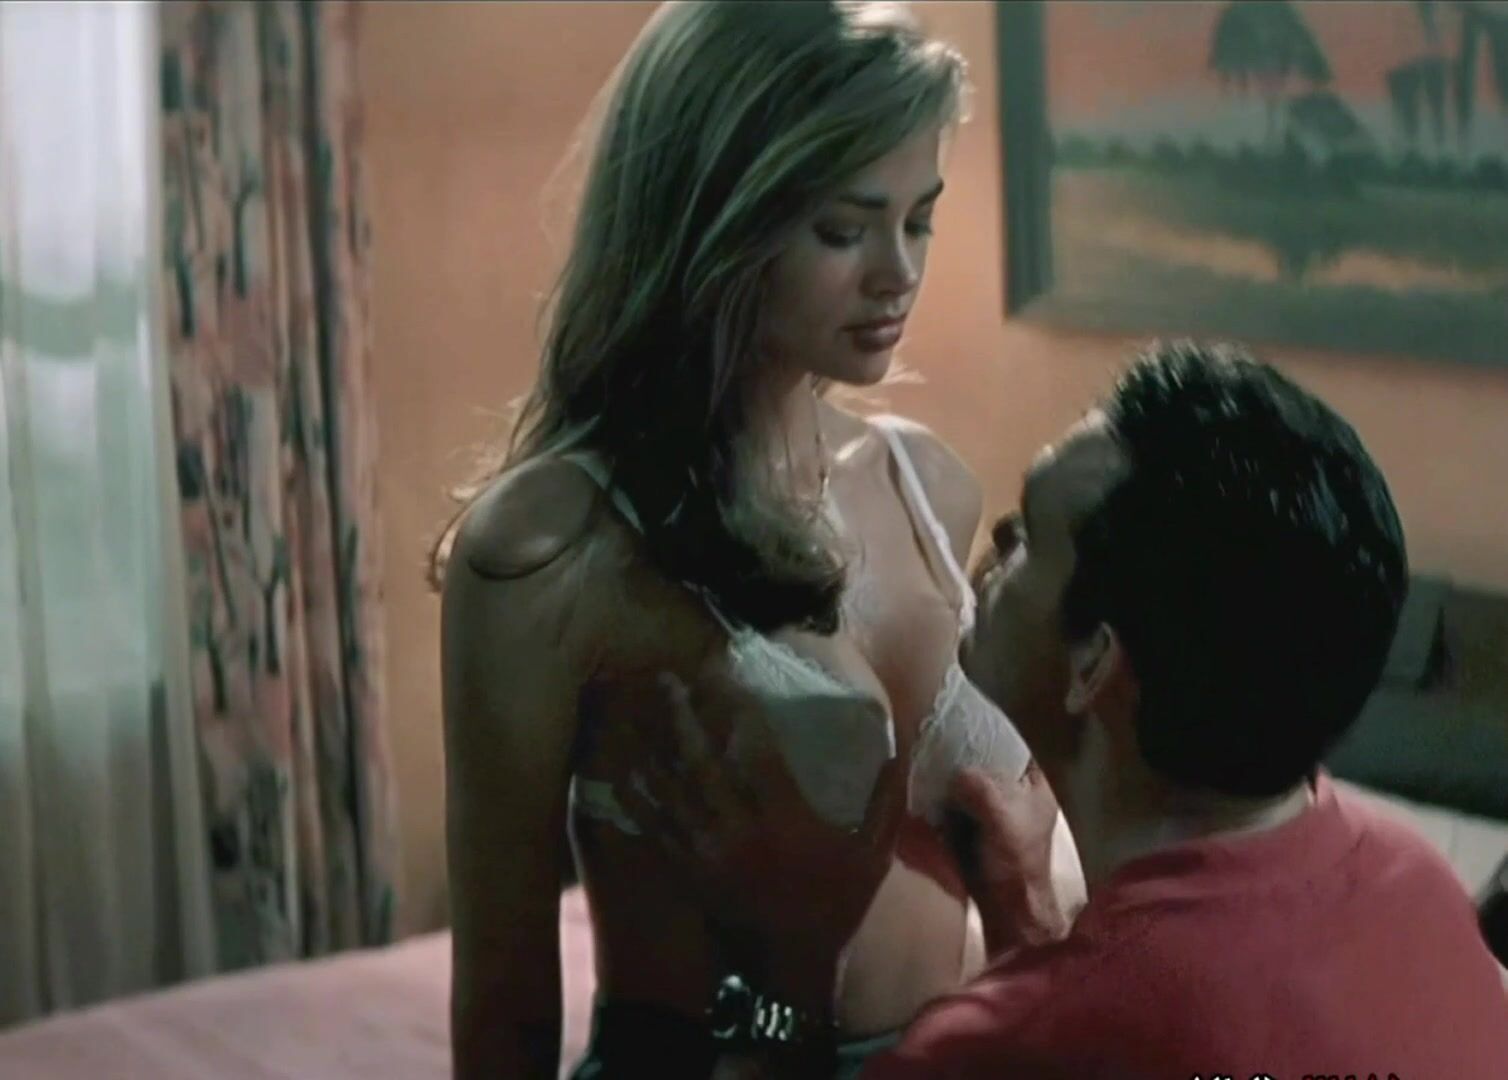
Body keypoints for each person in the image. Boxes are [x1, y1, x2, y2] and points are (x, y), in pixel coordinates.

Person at [433, 3, 1076, 1077]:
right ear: (712, 221)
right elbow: (503, 1005)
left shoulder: (927, 487)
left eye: (918, 221)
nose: (897, 272)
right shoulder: (553, 552)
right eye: (844, 229)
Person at [617, 342, 1508, 1078]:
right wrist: (1029, 922)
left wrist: (790, 965)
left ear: (1095, 662)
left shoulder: (1008, 1046)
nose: (996, 538)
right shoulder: (1422, 892)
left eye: (1031, 535)